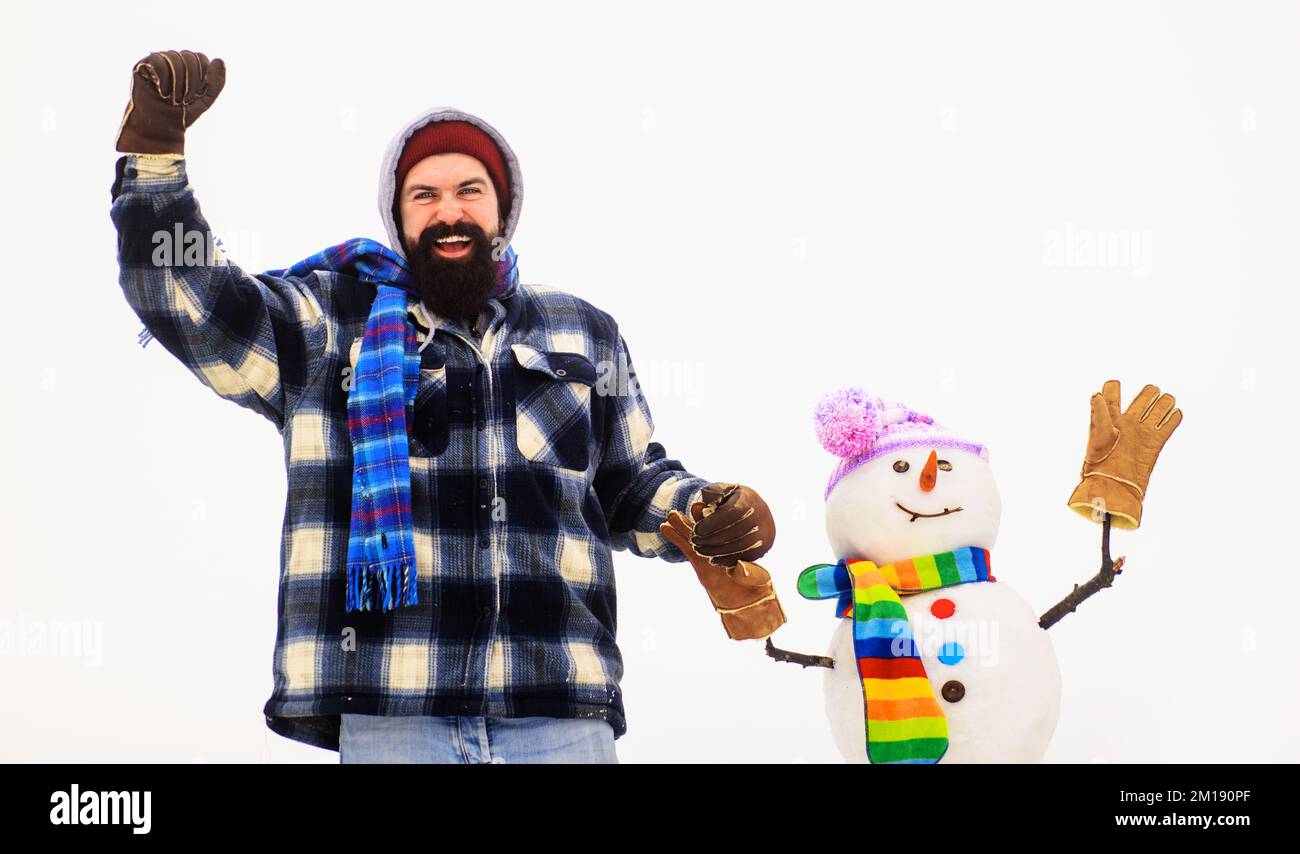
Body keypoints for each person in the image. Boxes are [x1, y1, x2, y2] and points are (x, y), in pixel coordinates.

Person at [110, 50, 777, 763]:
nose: (449, 211)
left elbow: (629, 485)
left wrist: (709, 510)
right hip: (393, 713)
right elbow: (195, 305)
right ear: (398, 215)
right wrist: (155, 160)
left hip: (558, 711)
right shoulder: (326, 323)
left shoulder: (583, 331)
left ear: (502, 210)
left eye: (470, 190)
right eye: (424, 195)